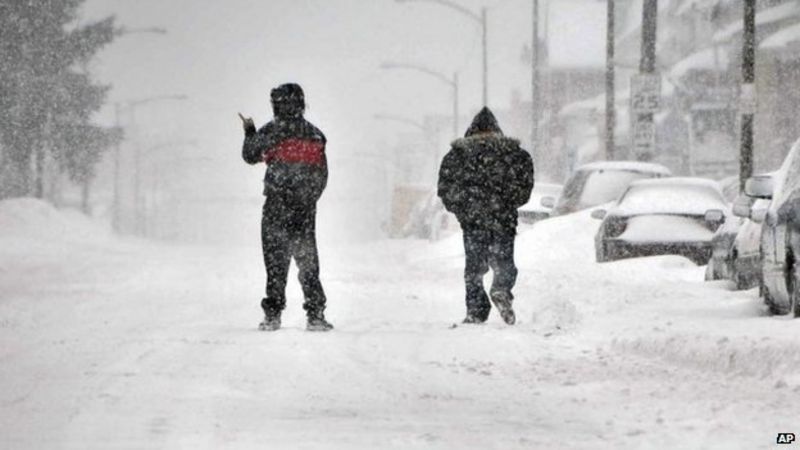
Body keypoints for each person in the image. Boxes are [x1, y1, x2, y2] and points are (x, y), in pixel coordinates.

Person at [240, 83, 333, 332]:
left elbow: (250, 155)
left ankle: (273, 314)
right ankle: (315, 314)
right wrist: (308, 197)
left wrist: (249, 131)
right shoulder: (315, 135)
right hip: (304, 209)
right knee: (307, 260)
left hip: (275, 206)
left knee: (275, 262)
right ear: (301, 103)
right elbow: (322, 176)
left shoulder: (271, 132)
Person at [437, 107, 534, 325]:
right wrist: (507, 203)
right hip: (503, 218)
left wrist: (462, 210)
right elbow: (525, 186)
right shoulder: (515, 154)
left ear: (470, 131)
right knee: (504, 261)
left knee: (474, 268)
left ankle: (476, 310)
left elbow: (445, 188)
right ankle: (501, 288)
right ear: (497, 130)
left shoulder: (457, 156)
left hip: (473, 220)